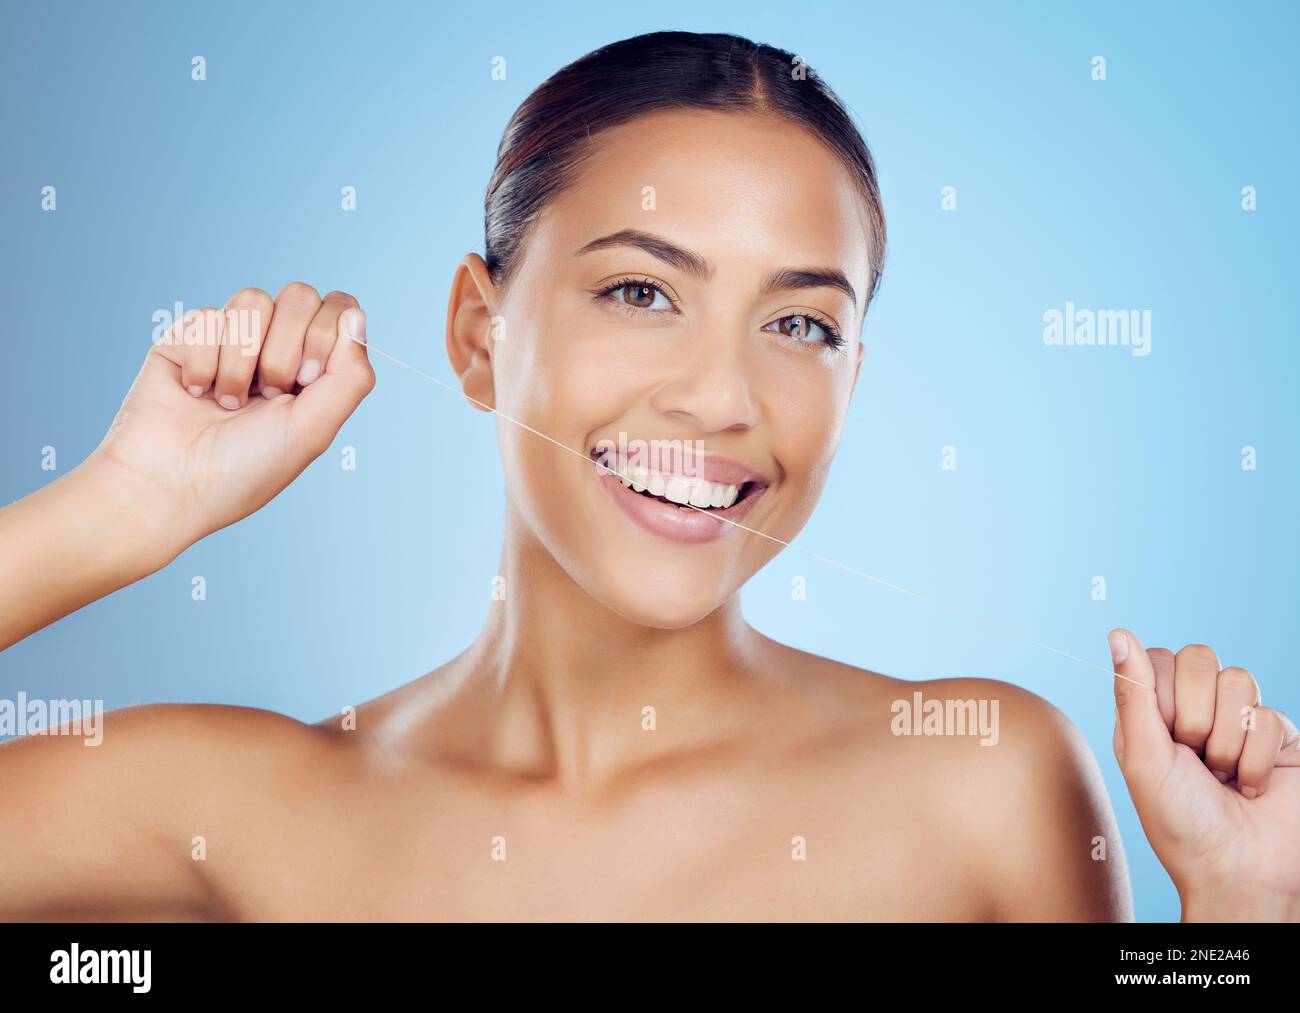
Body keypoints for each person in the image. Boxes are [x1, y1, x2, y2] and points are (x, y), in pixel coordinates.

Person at [1, 30, 1296, 921]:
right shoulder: (232, 805)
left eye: (802, 323)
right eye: (641, 289)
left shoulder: (985, 777)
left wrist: (1245, 916)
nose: (724, 397)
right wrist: (124, 506)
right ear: (475, 331)